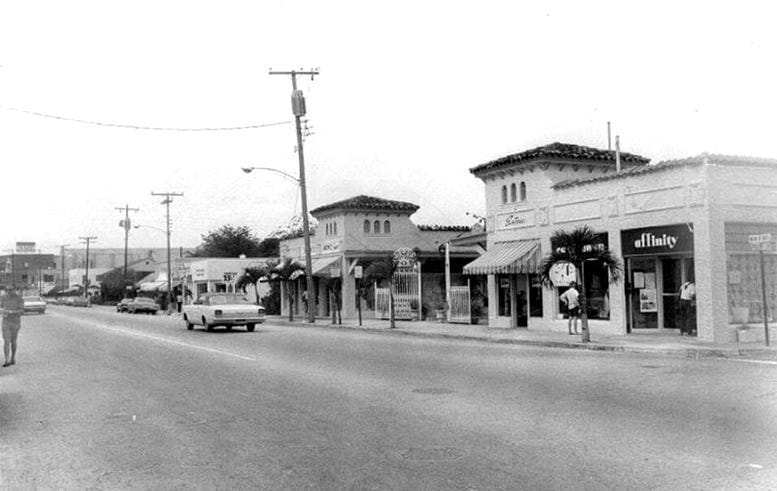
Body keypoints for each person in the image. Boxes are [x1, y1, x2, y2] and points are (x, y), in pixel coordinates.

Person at [1, 288, 25, 367]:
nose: (9, 291)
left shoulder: (19, 298)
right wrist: (2, 311)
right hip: (6, 321)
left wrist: (11, 312)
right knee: (6, 341)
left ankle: (13, 357)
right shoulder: (3, 298)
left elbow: (22, 310)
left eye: (11, 289)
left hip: (15, 322)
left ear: (15, 289)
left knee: (13, 340)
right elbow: (0, 307)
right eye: (7, 290)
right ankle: (7, 360)